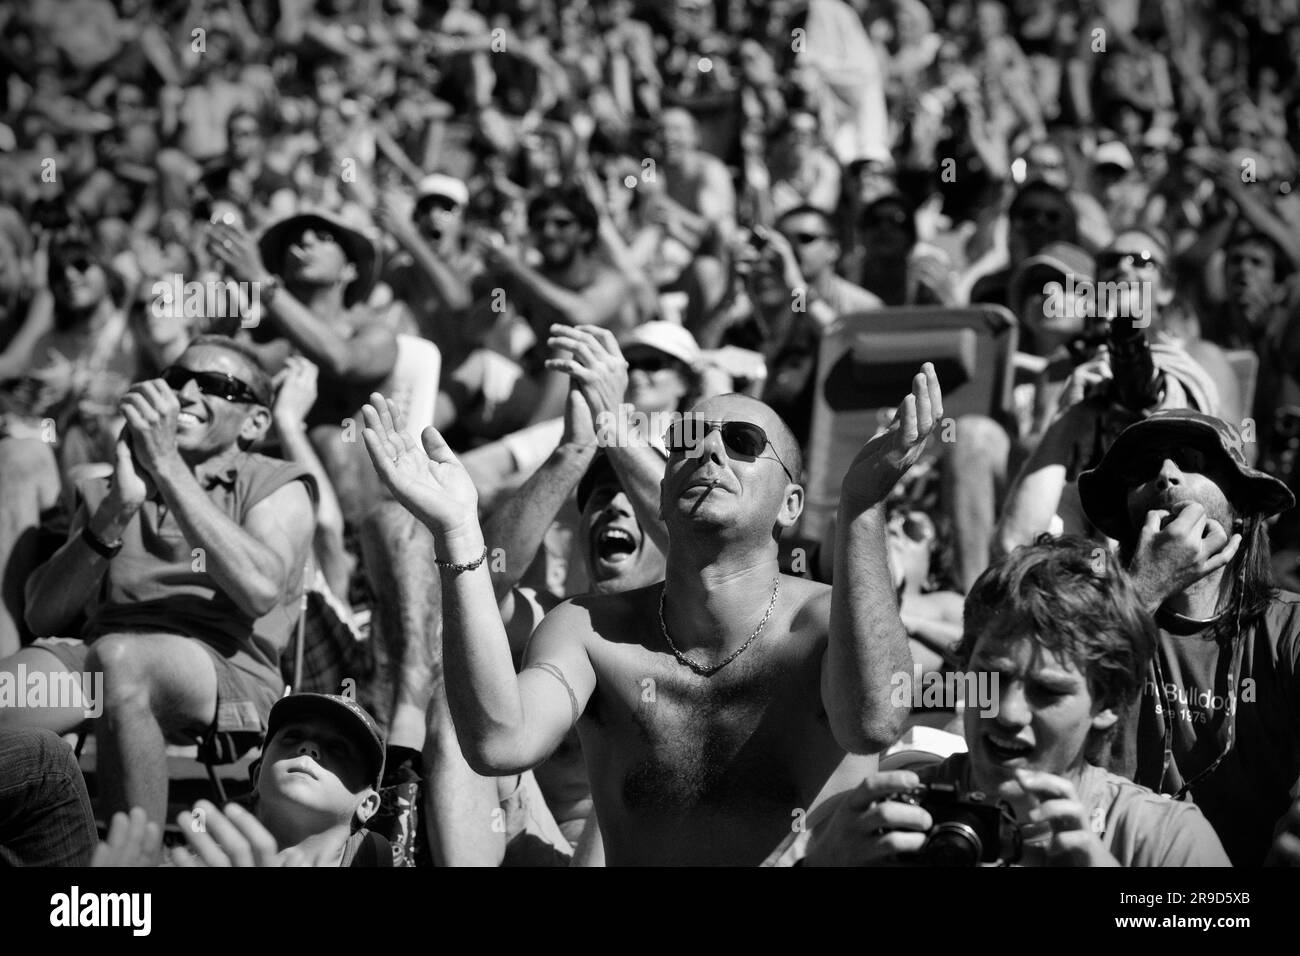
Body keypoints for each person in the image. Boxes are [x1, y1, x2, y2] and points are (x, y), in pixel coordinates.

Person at [361, 361, 945, 865]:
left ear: (791, 503)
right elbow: (496, 741)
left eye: (742, 441)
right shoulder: (590, 630)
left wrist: (862, 507)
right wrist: (459, 534)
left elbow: (874, 722)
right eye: (688, 439)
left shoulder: (821, 626)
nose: (708, 450)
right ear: (662, 491)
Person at [2, 335, 317, 827]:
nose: (185, 393)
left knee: (120, 660)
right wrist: (116, 508)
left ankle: (134, 866)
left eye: (215, 384)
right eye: (176, 379)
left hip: (223, 667)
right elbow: (42, 614)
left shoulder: (274, 481)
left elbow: (259, 589)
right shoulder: (112, 485)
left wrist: (167, 464)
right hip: (100, 658)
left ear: (255, 421)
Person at [798, 536, 1230, 867]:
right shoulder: (889, 821)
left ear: (1108, 704)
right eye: (994, 677)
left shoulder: (1164, 839)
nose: (1006, 712)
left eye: (1047, 691)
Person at [1076, 410, 1300, 865]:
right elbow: (1048, 709)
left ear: (1241, 510)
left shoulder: (1290, 627)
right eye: (1143, 470)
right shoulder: (1082, 618)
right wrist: (1143, 589)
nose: (1164, 476)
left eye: (1190, 459)